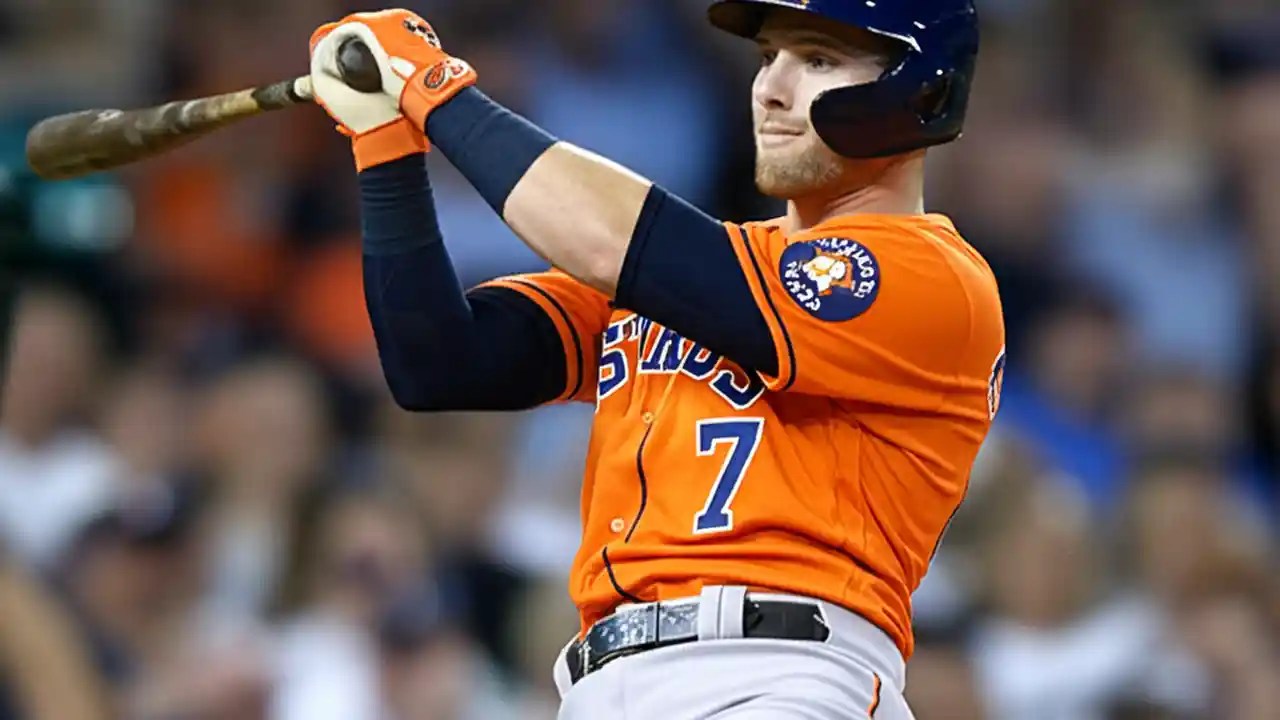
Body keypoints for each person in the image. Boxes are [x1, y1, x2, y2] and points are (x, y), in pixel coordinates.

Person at [306, 1, 1003, 717]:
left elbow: (616, 241)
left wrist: (435, 92)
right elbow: (437, 362)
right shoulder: (705, 272)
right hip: (603, 681)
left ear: (923, 88)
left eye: (818, 60)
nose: (771, 88)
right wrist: (385, 146)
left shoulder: (934, 277)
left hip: (781, 673)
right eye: (769, 58)